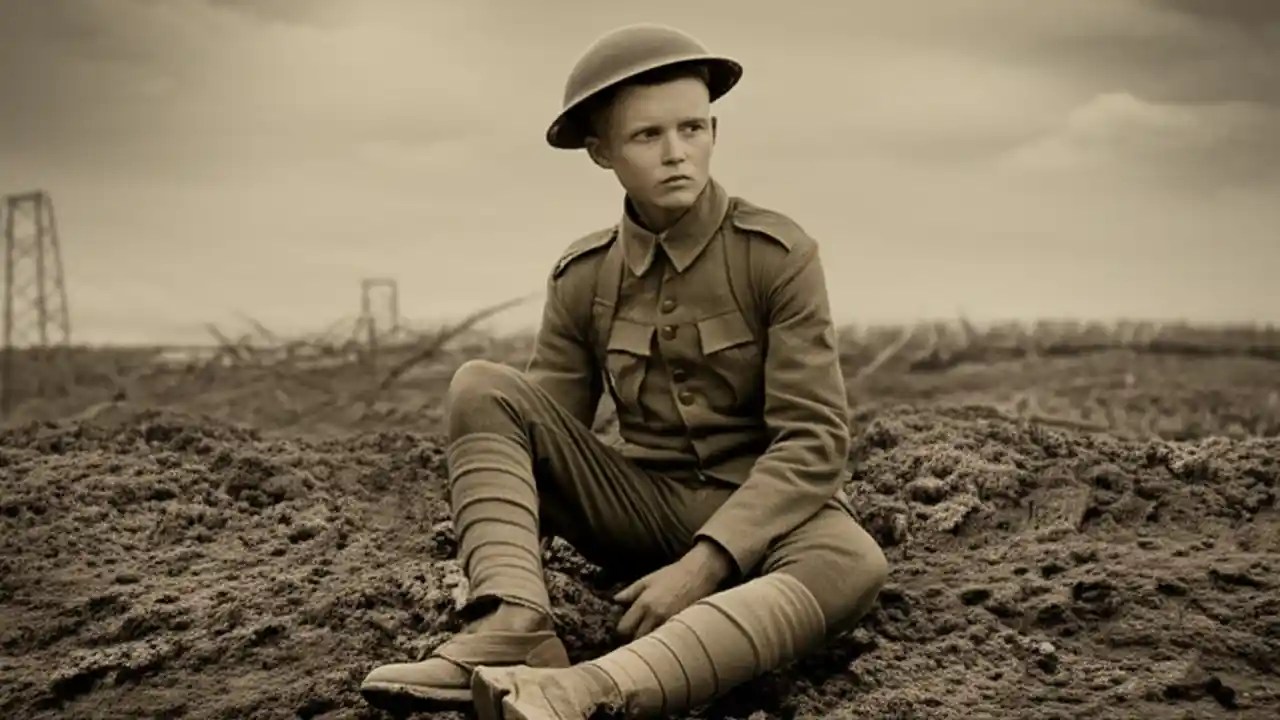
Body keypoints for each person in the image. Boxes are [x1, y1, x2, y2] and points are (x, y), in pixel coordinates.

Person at [360, 22, 888, 720]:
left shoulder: (775, 254)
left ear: (714, 132)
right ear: (600, 151)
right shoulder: (584, 275)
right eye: (647, 137)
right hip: (640, 507)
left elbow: (815, 441)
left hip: (766, 517)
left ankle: (584, 692)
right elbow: (538, 438)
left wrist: (705, 567)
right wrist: (495, 560)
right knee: (482, 386)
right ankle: (512, 631)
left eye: (693, 128)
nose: (677, 154)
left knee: (852, 563)